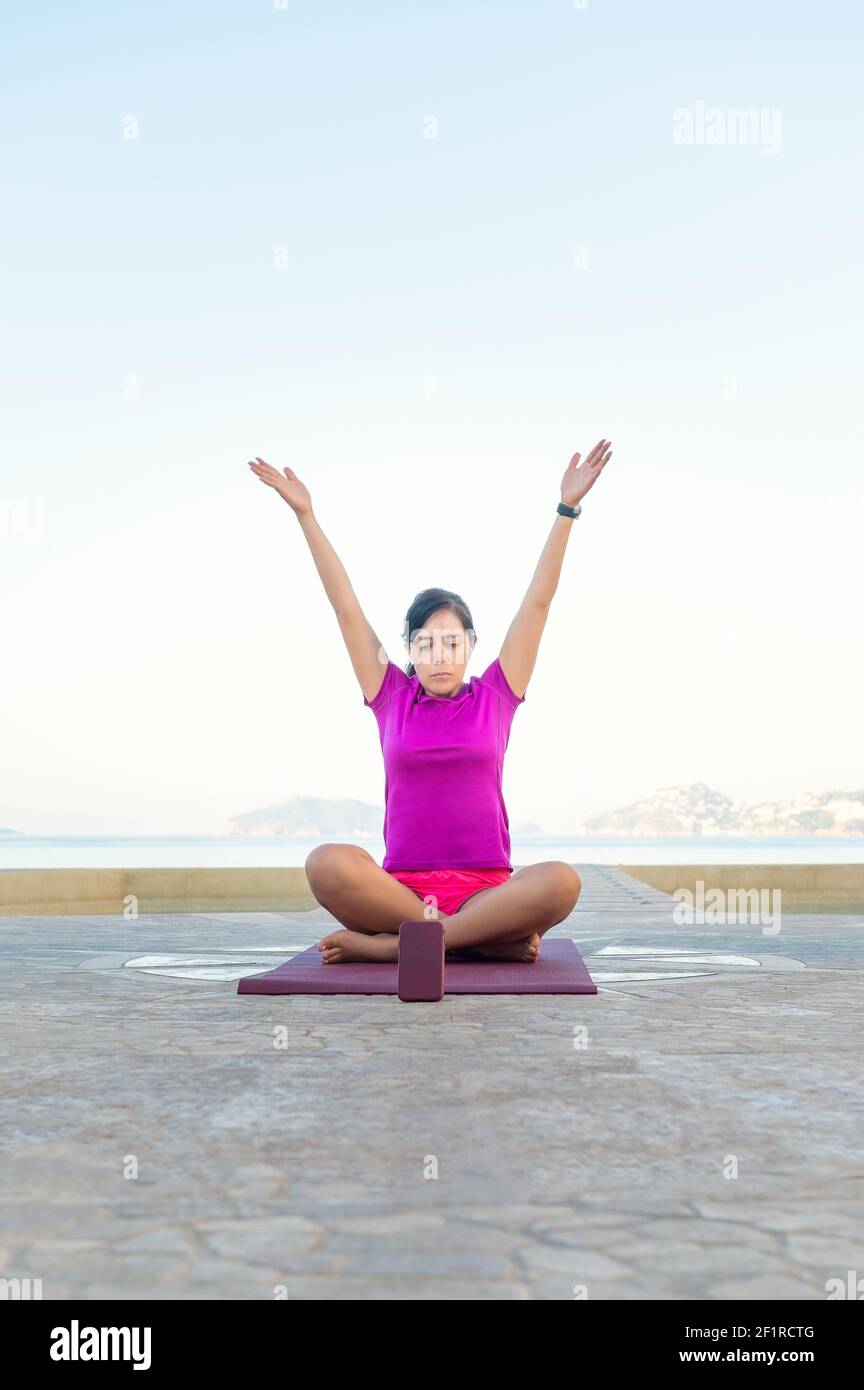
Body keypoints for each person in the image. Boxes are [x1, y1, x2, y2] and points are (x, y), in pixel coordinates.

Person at [247, 440, 612, 964]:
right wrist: (307, 515)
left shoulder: (497, 695)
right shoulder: (391, 695)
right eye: (425, 644)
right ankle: (480, 942)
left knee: (562, 882)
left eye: (452, 643)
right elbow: (345, 606)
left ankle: (396, 950)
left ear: (471, 647)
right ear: (409, 651)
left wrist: (566, 510)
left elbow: (537, 600)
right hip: (402, 896)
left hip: (488, 892)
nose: (439, 656)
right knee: (325, 863)